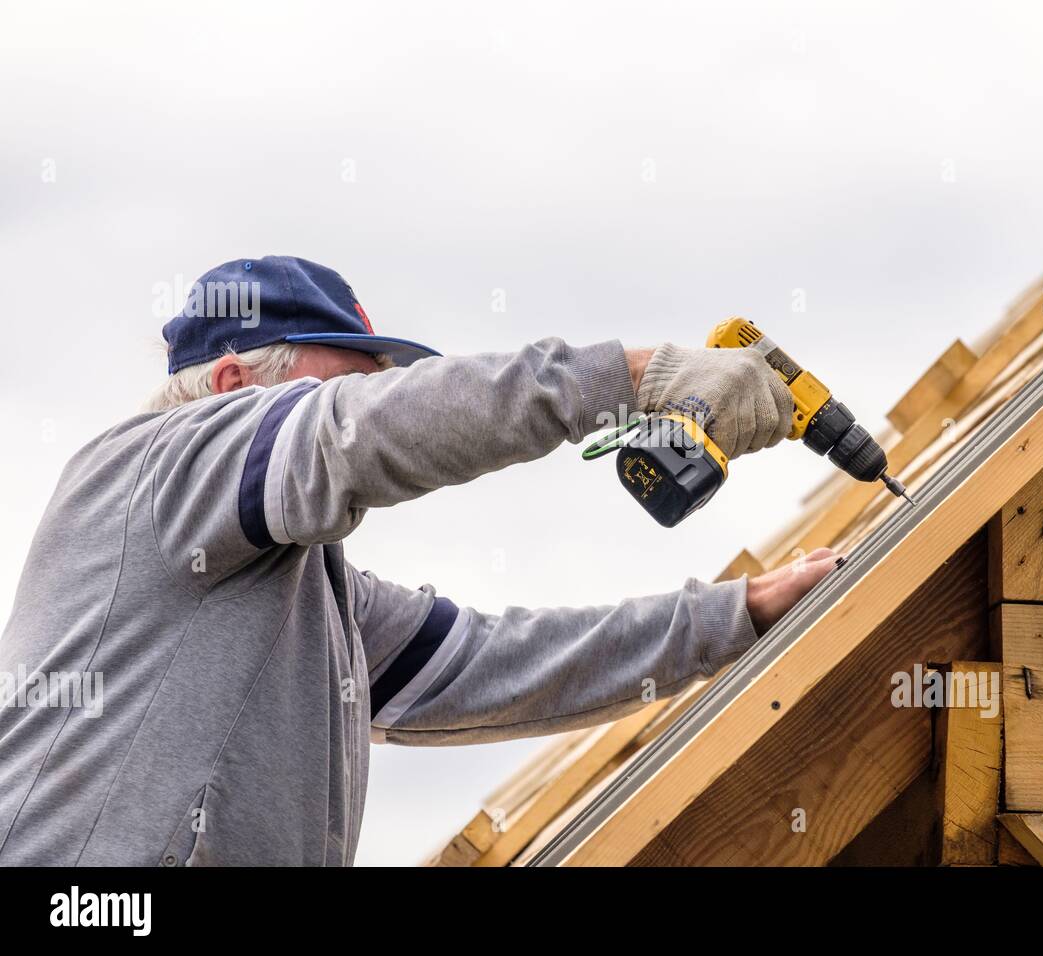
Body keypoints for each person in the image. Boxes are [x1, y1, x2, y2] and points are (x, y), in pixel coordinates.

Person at [0, 256, 839, 865]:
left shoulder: (312, 602)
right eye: (344, 383)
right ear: (229, 386)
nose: (365, 400)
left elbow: (493, 662)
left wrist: (742, 612)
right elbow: (365, 432)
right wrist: (634, 377)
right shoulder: (154, 465)